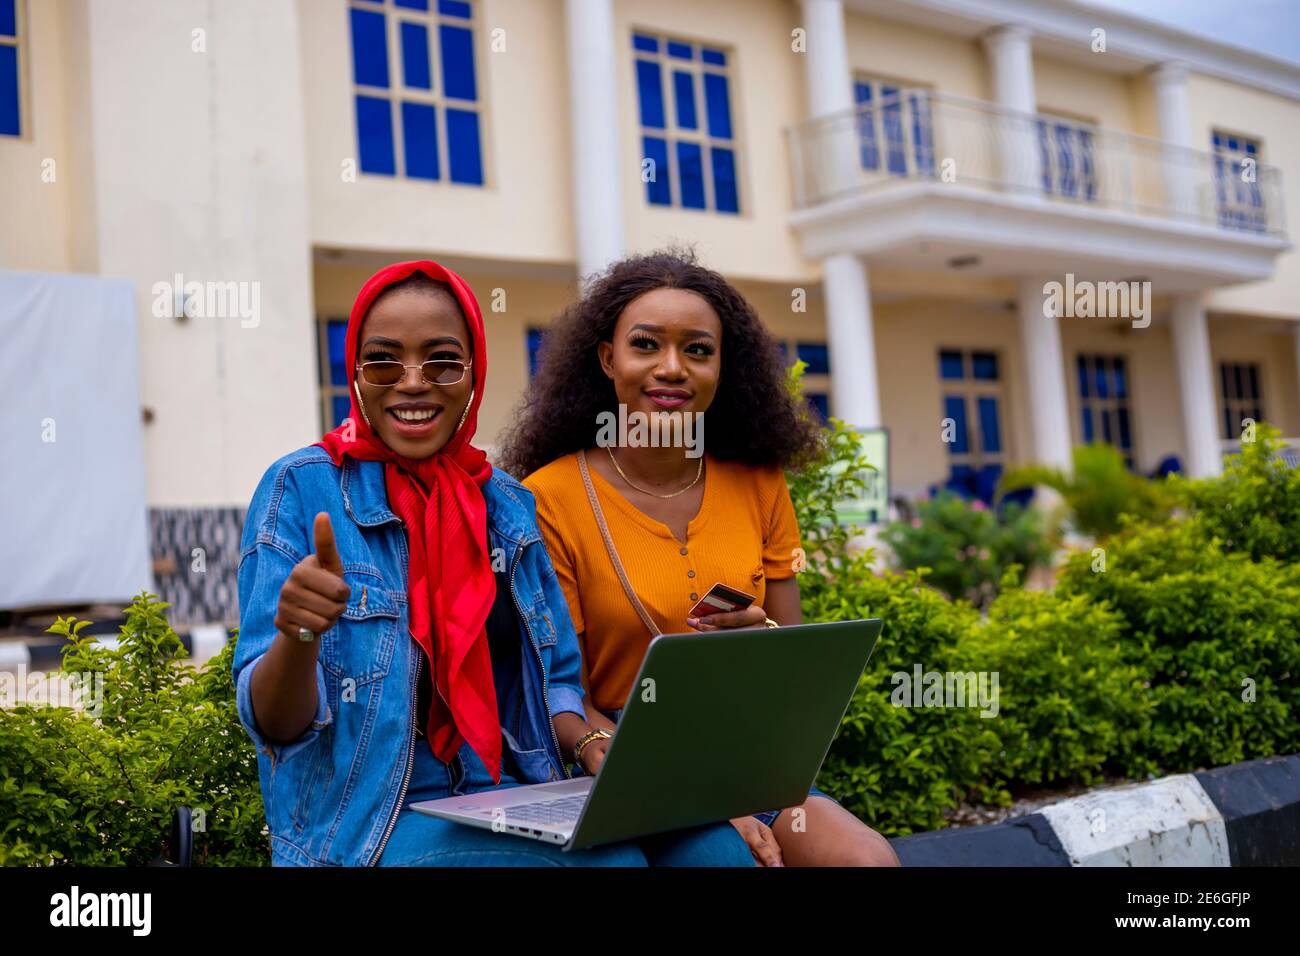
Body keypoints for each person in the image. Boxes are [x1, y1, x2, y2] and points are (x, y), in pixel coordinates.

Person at [233, 259, 753, 867]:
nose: (413, 381)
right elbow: (274, 725)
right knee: (614, 866)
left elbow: (559, 679)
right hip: (373, 821)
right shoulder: (301, 489)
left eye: (442, 360)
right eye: (383, 360)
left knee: (714, 851)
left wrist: (592, 746)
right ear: (354, 373)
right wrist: (297, 636)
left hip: (515, 792)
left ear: (473, 372)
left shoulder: (506, 505)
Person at [500, 250, 900, 867]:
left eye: (697, 349)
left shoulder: (759, 480)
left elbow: (793, 663)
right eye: (646, 345)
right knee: (724, 860)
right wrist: (677, 784)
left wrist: (761, 634)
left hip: (746, 762)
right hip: (621, 768)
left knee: (867, 859)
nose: (671, 368)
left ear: (721, 367)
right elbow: (559, 694)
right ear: (609, 359)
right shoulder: (548, 498)